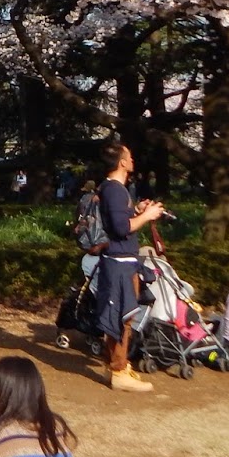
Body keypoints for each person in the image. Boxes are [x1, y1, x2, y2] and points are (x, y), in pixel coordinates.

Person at [95, 143, 162, 393]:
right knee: (123, 317)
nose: (133, 159)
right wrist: (148, 215)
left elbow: (118, 222)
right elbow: (122, 229)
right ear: (122, 162)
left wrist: (136, 211)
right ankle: (119, 370)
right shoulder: (114, 189)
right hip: (119, 264)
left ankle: (117, 366)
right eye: (130, 156)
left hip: (121, 262)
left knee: (122, 316)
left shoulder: (114, 190)